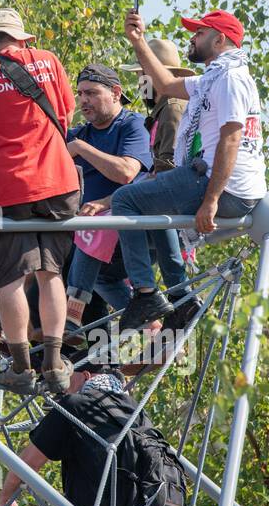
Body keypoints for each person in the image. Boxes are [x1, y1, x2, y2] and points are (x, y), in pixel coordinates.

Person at [115, 9, 267, 334]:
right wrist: (137, 41)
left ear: (219, 39)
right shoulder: (214, 76)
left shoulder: (230, 78)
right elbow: (166, 83)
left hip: (220, 185)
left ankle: (145, 294)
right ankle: (179, 300)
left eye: (199, 33)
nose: (192, 38)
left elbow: (232, 138)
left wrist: (211, 199)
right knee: (151, 205)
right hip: (214, 180)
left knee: (125, 201)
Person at [0, 9, 82, 394]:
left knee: (10, 275)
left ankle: (20, 366)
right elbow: (64, 115)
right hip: (59, 183)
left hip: (9, 187)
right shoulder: (48, 61)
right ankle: (55, 362)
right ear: (22, 39)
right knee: (51, 273)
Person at [65, 64, 185, 333]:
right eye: (80, 93)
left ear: (116, 93)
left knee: (94, 225)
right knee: (103, 279)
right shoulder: (78, 133)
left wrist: (81, 149)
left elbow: (126, 173)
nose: (84, 100)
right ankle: (150, 327)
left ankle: (71, 313)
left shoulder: (133, 125)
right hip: (97, 240)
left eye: (92, 93)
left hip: (138, 228)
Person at [0, 365, 187, 506]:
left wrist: (6, 496)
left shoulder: (76, 405)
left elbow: (28, 464)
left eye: (66, 377)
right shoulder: (136, 412)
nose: (61, 387)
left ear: (86, 376)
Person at [120, 39, 192, 175]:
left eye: (140, 74)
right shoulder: (164, 108)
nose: (140, 82)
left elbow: (170, 166)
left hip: (171, 187)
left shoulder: (173, 108)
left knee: (122, 196)